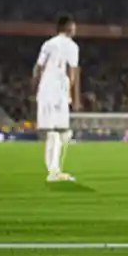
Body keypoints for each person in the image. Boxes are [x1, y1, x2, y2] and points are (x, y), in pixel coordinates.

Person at [34, 14, 80, 182]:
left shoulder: (48, 44)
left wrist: (34, 90)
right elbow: (72, 73)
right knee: (61, 133)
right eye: (73, 28)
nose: (75, 30)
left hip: (45, 93)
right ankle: (54, 171)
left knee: (53, 133)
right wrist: (75, 98)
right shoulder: (72, 47)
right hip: (59, 94)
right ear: (68, 28)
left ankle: (53, 169)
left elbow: (37, 68)